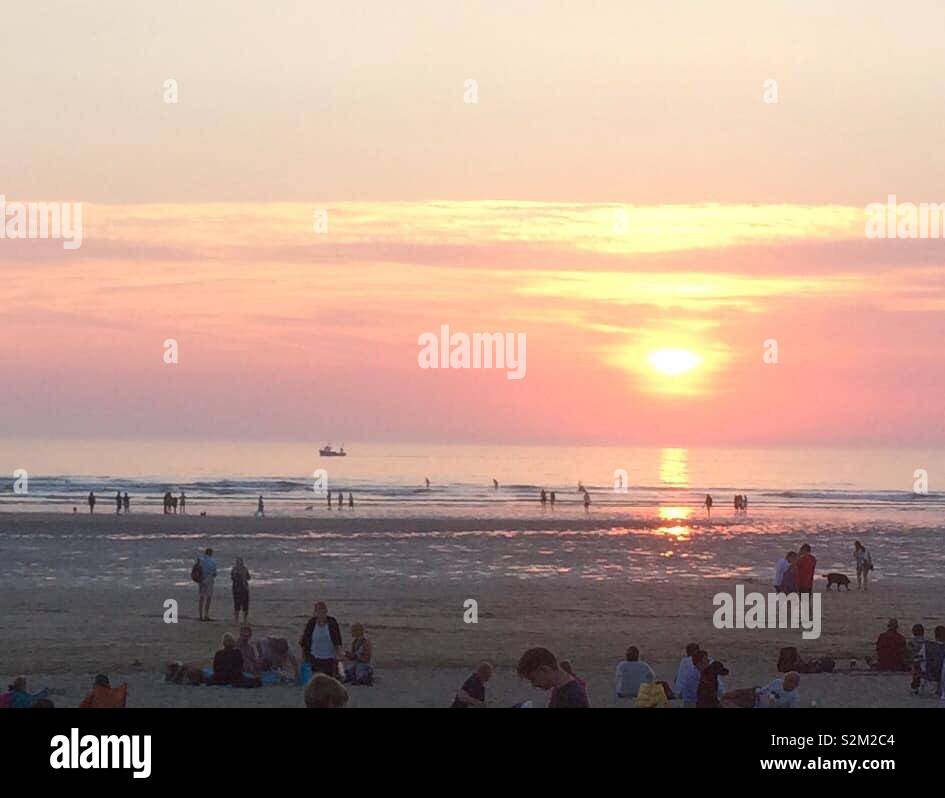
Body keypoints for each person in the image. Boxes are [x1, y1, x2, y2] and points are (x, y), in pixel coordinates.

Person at [516, 647, 589, 707]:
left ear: (544, 670)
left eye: (533, 679)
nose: (534, 685)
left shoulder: (573, 697)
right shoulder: (562, 689)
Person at [299, 601, 344, 677]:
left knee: (328, 680)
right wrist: (304, 658)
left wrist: (339, 656)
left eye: (323, 610)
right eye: (319, 610)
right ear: (315, 612)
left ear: (326, 611)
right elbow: (305, 641)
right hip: (314, 658)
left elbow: (337, 641)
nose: (321, 613)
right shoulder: (311, 623)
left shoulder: (332, 622)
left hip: (329, 658)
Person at [196, 547, 218, 622]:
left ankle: (200, 615)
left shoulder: (200, 560)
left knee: (201, 598)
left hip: (201, 580)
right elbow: (215, 574)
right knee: (208, 598)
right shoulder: (213, 561)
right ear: (211, 553)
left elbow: (197, 570)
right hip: (209, 580)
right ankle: (206, 615)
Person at [231, 557, 251, 624]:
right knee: (245, 605)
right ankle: (244, 619)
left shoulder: (234, 569)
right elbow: (248, 578)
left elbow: (232, 578)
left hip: (236, 589)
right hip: (244, 589)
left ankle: (236, 619)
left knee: (237, 605)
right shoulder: (244, 569)